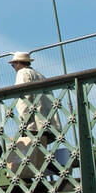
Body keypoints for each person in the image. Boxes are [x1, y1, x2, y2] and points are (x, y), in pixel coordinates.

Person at [8, 51, 63, 183]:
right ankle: (59, 173)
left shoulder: (22, 73)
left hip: (34, 122)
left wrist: (23, 119)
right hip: (46, 121)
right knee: (39, 155)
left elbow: (24, 98)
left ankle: (59, 173)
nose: (13, 67)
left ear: (18, 63)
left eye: (13, 64)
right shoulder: (39, 75)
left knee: (30, 156)